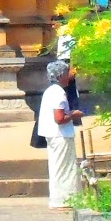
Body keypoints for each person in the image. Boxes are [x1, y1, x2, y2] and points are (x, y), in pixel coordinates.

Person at [39, 60, 84, 208]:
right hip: (61, 135)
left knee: (57, 167)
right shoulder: (58, 93)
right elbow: (59, 118)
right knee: (65, 169)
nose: (69, 76)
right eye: (67, 74)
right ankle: (65, 199)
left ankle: (59, 198)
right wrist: (73, 114)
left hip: (54, 135)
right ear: (61, 75)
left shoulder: (50, 91)